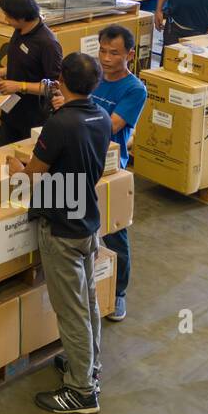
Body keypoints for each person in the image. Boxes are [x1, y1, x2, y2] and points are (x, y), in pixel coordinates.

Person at [8, 51, 110, 414]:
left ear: (62, 81)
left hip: (61, 228)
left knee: (71, 311)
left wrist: (15, 167)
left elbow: (34, 173)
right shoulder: (100, 116)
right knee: (89, 303)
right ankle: (89, 365)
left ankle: (82, 392)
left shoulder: (61, 124)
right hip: (86, 220)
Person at [55, 23, 145, 323]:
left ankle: (119, 292)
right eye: (103, 51)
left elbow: (113, 126)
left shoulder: (134, 89)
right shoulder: (93, 78)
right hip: (78, 161)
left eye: (114, 53)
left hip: (109, 169)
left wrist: (72, 105)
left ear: (129, 54)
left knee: (116, 232)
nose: (106, 59)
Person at [0, 0, 63, 145]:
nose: (6, 19)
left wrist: (18, 86)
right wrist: (1, 72)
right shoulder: (19, 30)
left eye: (8, 16)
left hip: (33, 119)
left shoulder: (48, 44)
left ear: (22, 17)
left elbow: (54, 87)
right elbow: (24, 64)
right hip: (11, 111)